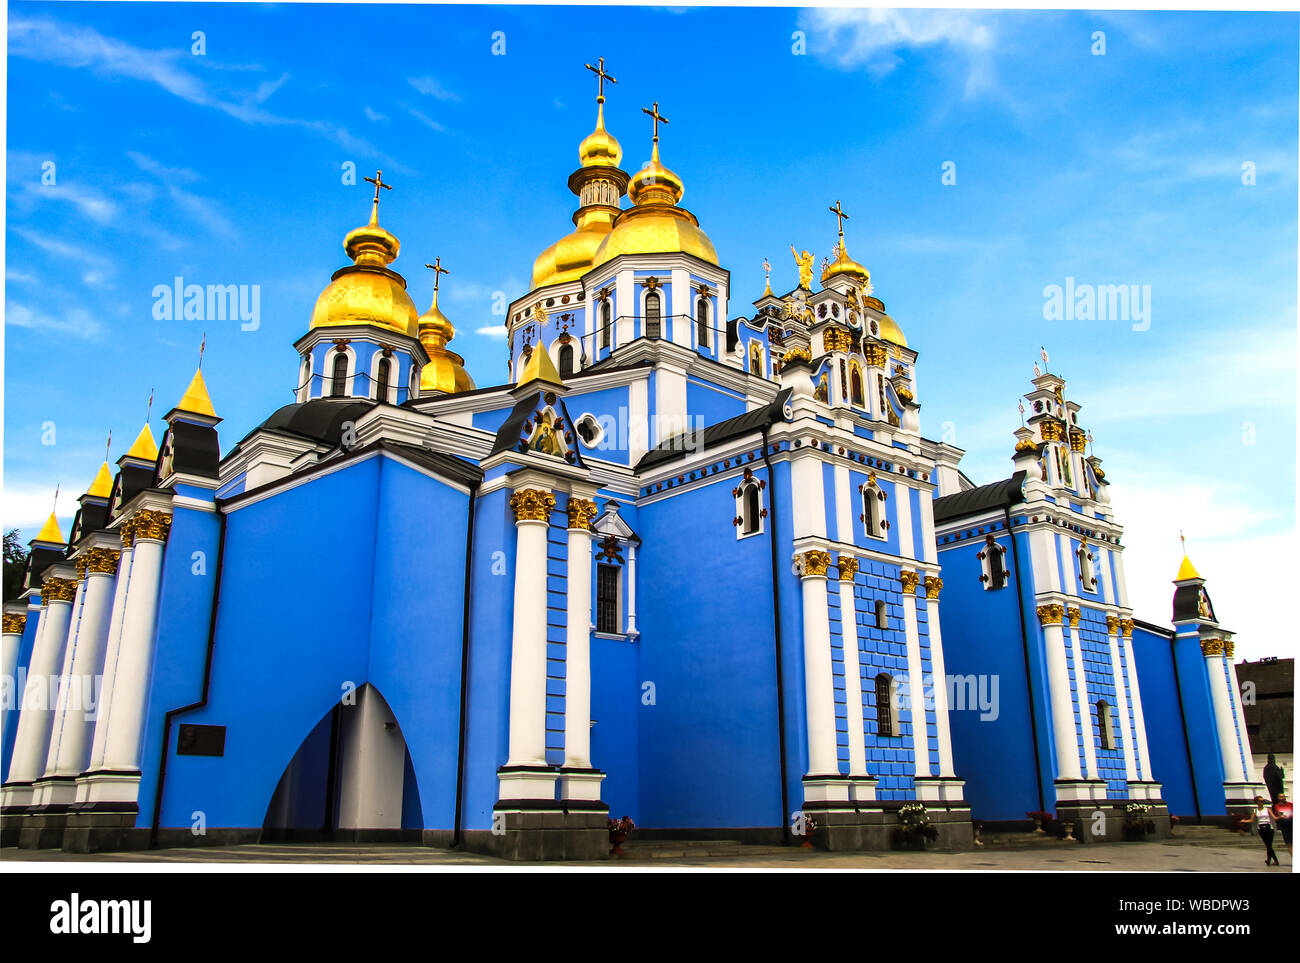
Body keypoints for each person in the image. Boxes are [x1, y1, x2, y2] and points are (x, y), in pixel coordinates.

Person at [1250, 796, 1280, 866]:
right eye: (1261, 801)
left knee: (1269, 845)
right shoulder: (1255, 810)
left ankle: (1273, 860)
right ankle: (1270, 860)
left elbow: (1274, 817)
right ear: (1257, 802)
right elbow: (1251, 820)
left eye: (1263, 801)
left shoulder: (1267, 809)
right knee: (1267, 845)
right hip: (1261, 828)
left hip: (1269, 827)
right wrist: (1244, 821)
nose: (1263, 802)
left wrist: (1280, 817)